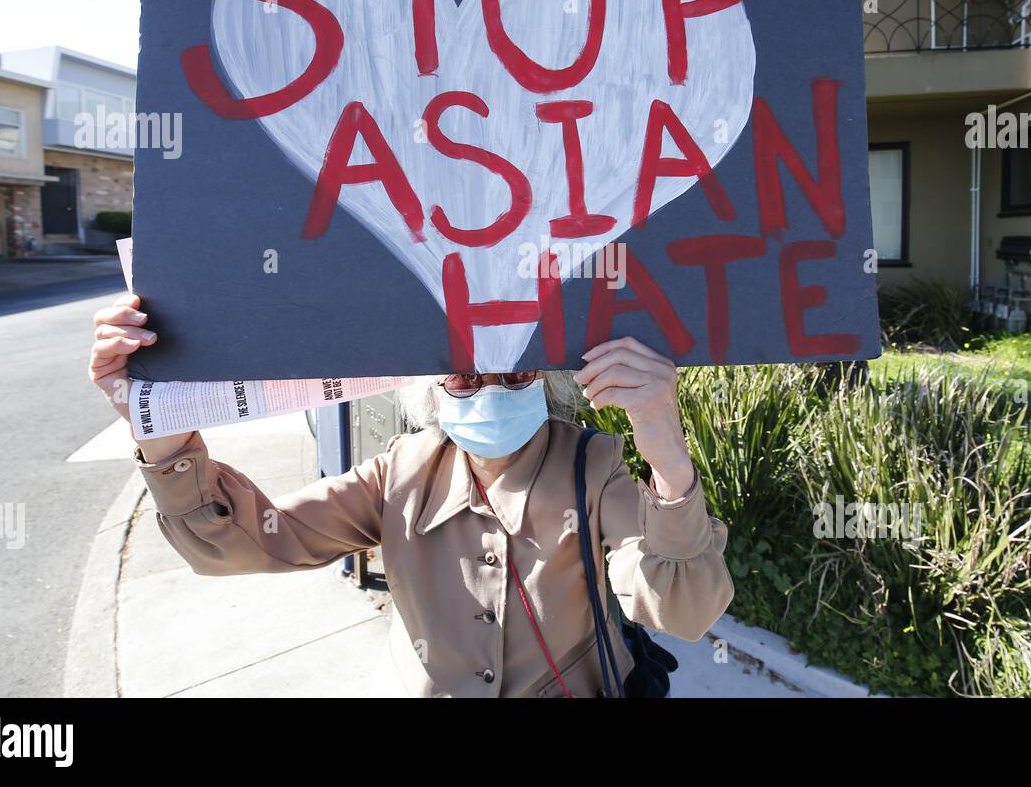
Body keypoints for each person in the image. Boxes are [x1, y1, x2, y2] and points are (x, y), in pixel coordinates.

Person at [89, 292, 735, 697]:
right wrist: (165, 439)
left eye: (513, 372)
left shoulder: (592, 468)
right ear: (429, 386)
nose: (489, 390)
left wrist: (667, 455)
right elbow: (254, 540)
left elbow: (683, 608)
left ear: (544, 376)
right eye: (462, 374)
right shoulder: (399, 473)